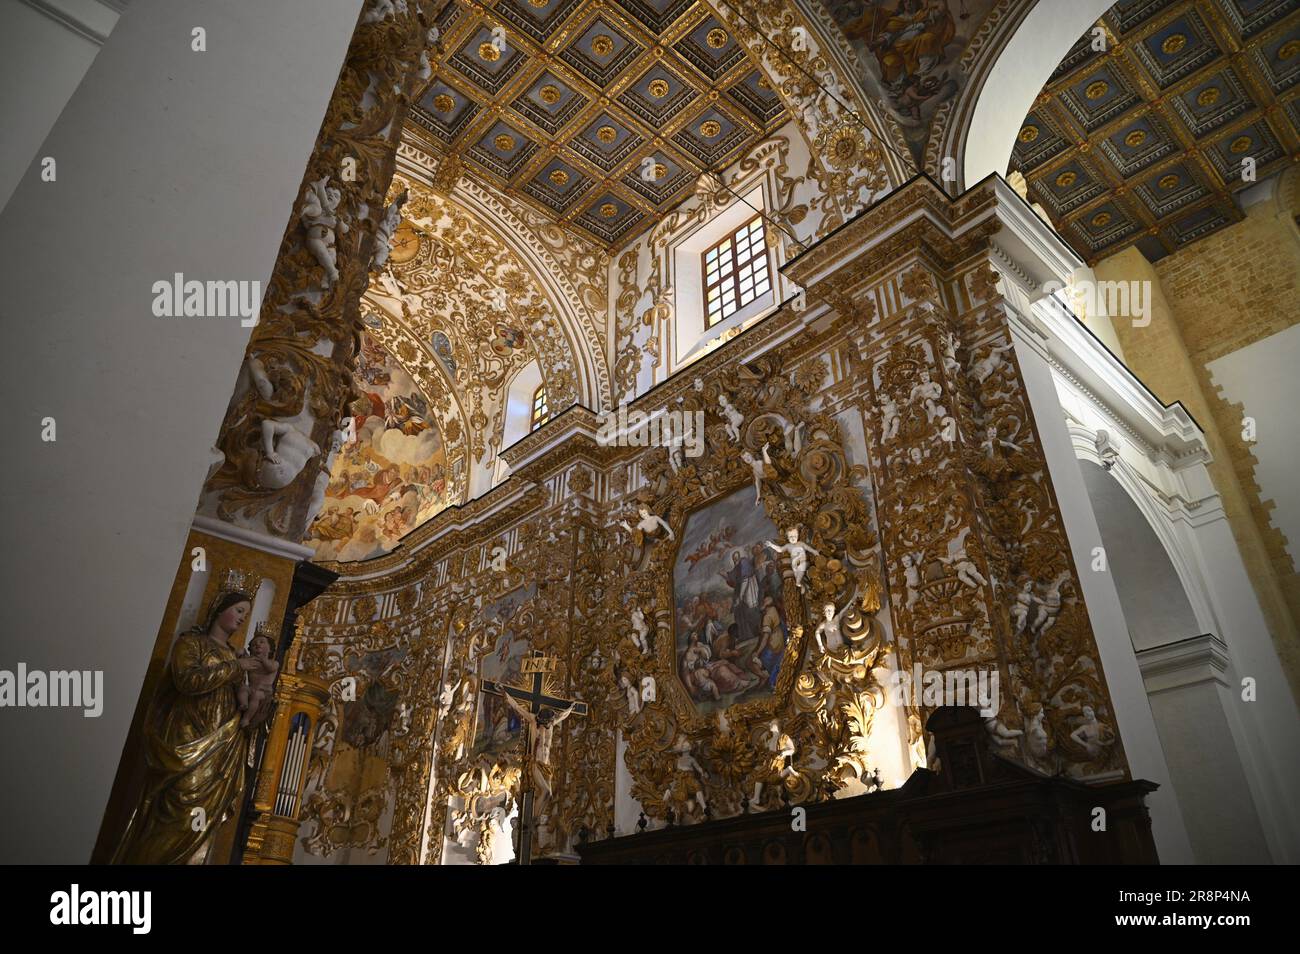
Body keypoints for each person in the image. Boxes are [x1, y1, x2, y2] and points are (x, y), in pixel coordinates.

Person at [113, 591, 266, 864]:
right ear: (220, 609)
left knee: (201, 819)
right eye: (239, 611)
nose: (242, 618)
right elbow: (187, 681)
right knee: (173, 815)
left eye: (246, 613)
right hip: (185, 741)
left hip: (221, 747)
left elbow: (242, 702)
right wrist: (235, 666)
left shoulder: (234, 655)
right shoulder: (191, 643)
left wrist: (259, 699)